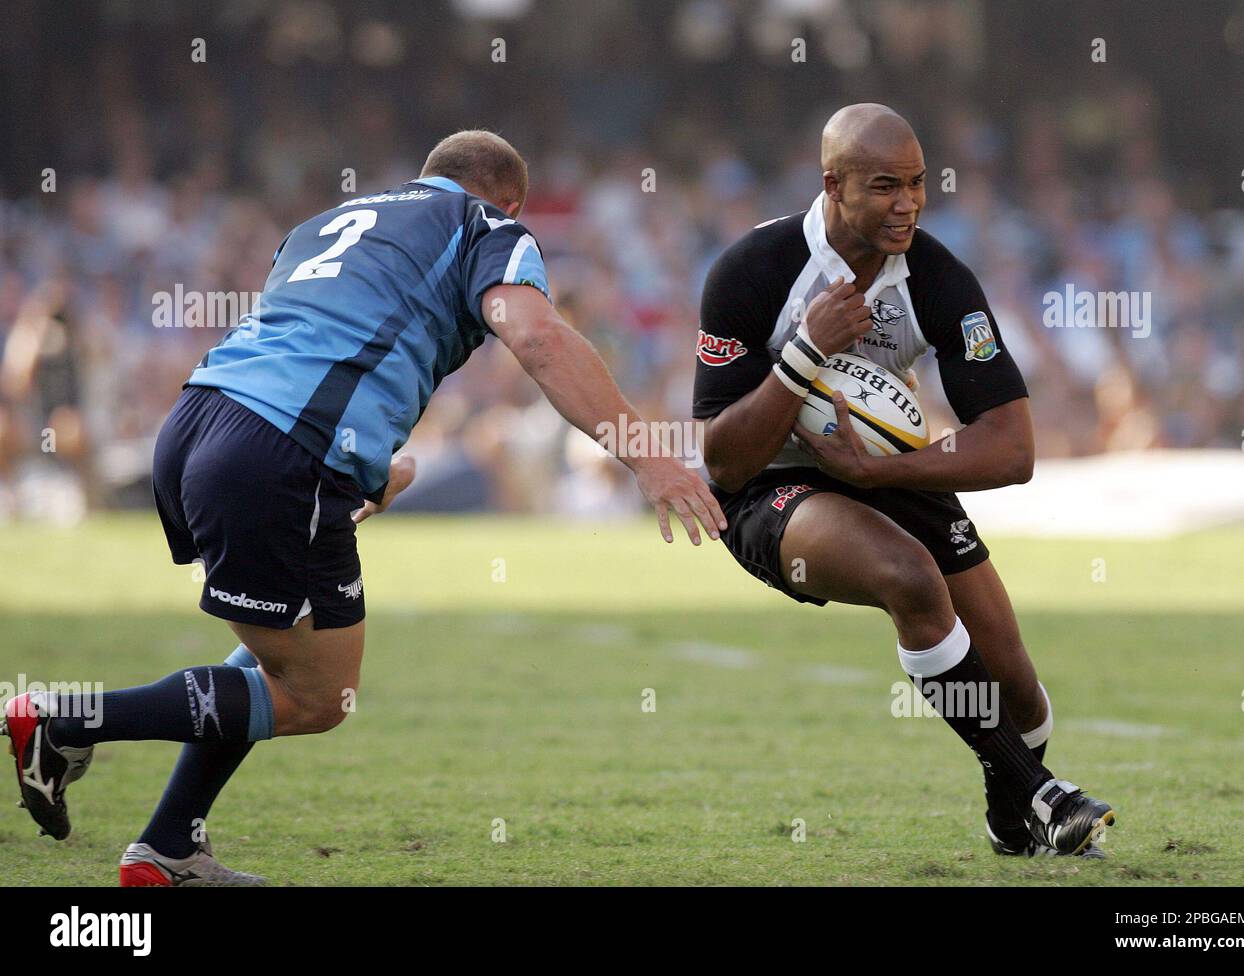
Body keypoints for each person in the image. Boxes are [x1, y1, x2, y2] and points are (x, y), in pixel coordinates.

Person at [3, 130, 725, 885]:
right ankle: (69, 716)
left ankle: (169, 847)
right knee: (320, 695)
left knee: (283, 645)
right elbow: (537, 336)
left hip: (197, 425)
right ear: (509, 200)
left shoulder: (324, 226)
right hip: (279, 449)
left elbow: (324, 348)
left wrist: (364, 474)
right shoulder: (488, 226)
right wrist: (648, 455)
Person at [693, 104, 1114, 857]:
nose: (908, 203)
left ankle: (1011, 816)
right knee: (909, 578)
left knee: (1017, 690)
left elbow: (1013, 449)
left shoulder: (938, 277)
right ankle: (1046, 794)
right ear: (833, 185)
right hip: (771, 489)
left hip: (887, 472)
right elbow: (724, 460)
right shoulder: (751, 271)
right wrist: (805, 354)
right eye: (886, 186)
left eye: (918, 184)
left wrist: (881, 469)